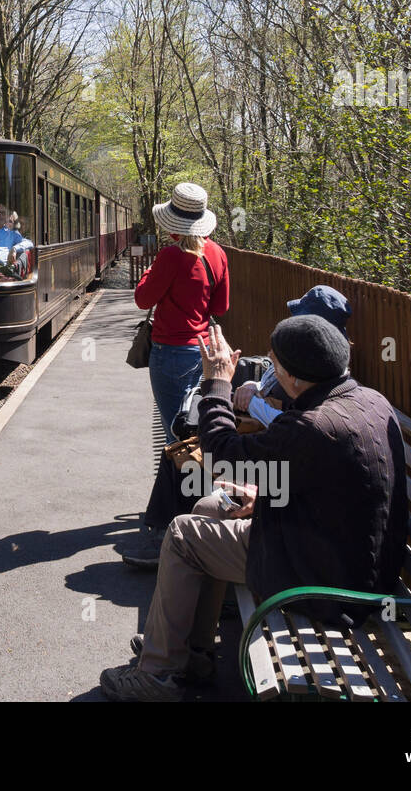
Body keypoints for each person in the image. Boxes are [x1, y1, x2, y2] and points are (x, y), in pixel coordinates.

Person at [99, 318, 408, 702]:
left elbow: (222, 456)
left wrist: (217, 384)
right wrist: (263, 495)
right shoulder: (367, 401)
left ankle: (158, 674)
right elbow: (334, 485)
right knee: (211, 506)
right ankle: (191, 653)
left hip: (328, 583)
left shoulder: (314, 426)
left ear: (294, 378)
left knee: (182, 534)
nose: (271, 372)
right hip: (343, 555)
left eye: (275, 365)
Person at [120, 182, 229, 570]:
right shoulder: (217, 254)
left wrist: (152, 273)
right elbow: (221, 304)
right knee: (196, 433)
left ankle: (174, 529)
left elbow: (142, 299)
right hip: (204, 353)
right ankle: (198, 511)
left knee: (177, 441)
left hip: (170, 354)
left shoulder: (169, 257)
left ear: (174, 225)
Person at [233, 285, 353, 427]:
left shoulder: (323, 367)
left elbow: (300, 427)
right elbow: (270, 379)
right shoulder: (301, 349)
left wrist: (253, 404)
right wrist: (252, 386)